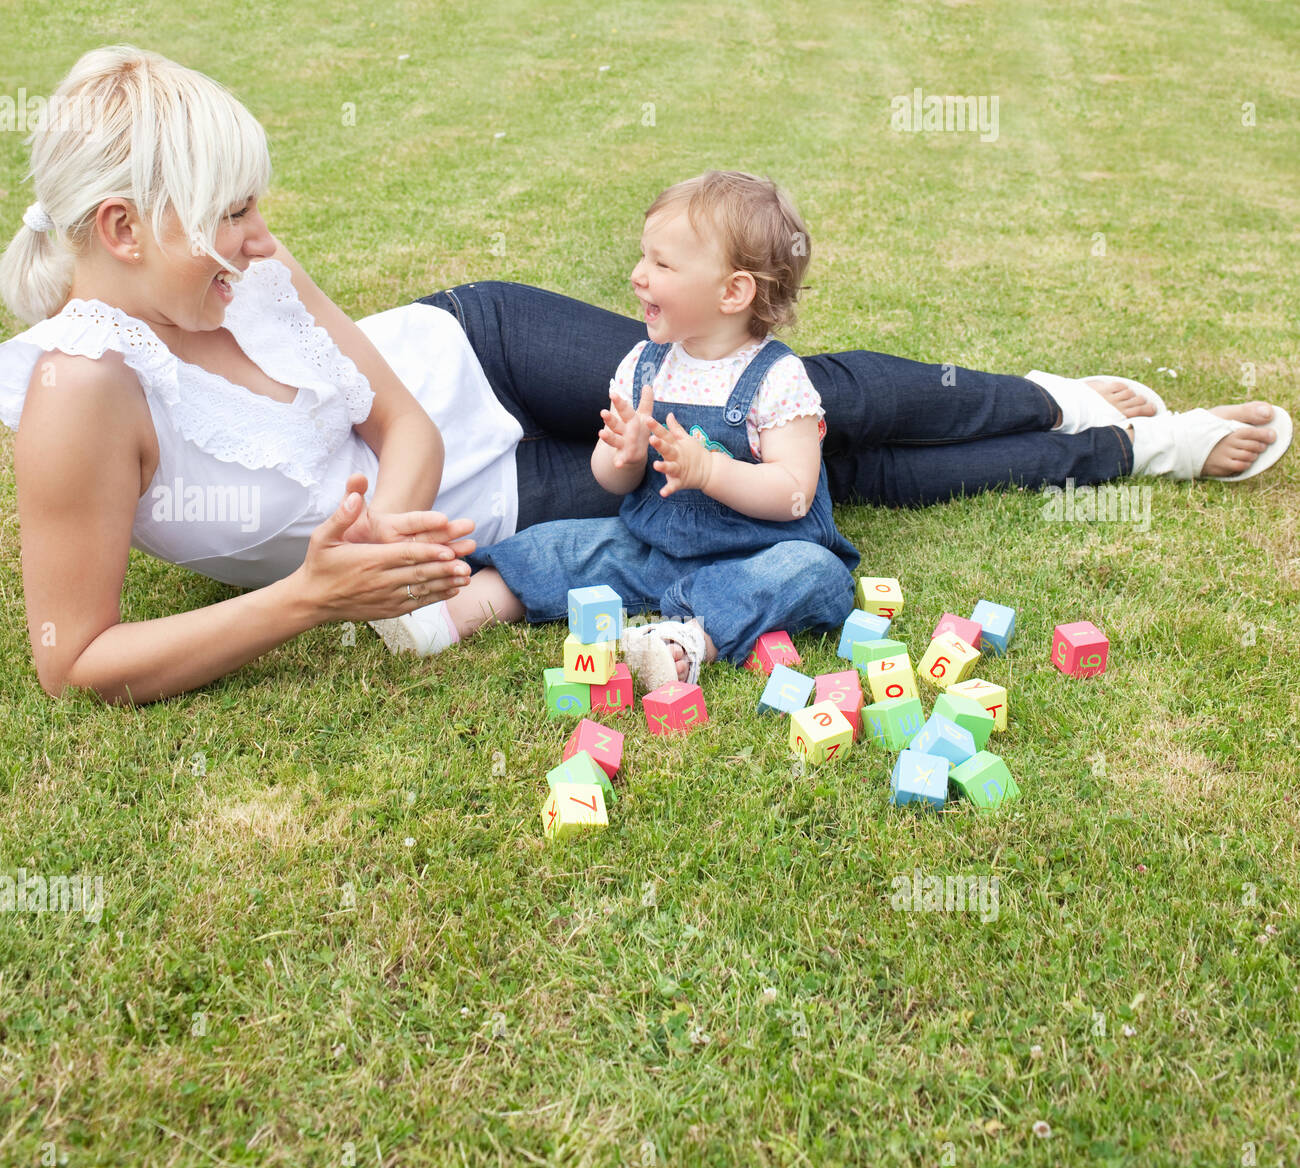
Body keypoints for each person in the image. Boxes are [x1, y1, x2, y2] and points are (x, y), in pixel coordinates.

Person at [0, 46, 1289, 705]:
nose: (263, 238)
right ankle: (1132, 451)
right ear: (125, 231)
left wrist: (388, 525)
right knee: (814, 479)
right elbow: (76, 659)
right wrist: (311, 598)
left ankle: (1051, 396)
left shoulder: (249, 272)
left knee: (784, 391)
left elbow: (397, 412)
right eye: (232, 215)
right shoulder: (77, 399)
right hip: (509, 509)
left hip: (483, 359)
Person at [429, 170, 862, 688]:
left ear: (732, 291)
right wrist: (624, 456)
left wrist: (710, 470)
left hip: (757, 556)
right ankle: (452, 613)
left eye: (662, 264)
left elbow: (794, 492)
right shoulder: (644, 363)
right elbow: (609, 481)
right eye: (643, 256)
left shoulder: (778, 377)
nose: (638, 275)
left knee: (812, 572)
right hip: (652, 551)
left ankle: (688, 641)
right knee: (560, 544)